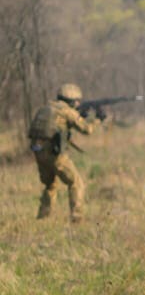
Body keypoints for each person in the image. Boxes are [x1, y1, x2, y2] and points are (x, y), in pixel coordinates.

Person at [28, 83, 97, 223]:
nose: (78, 103)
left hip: (39, 152)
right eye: (77, 101)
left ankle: (43, 218)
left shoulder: (46, 108)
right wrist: (96, 120)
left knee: (50, 185)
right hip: (55, 154)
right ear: (70, 100)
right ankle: (77, 219)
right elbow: (87, 129)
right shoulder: (66, 111)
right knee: (76, 183)